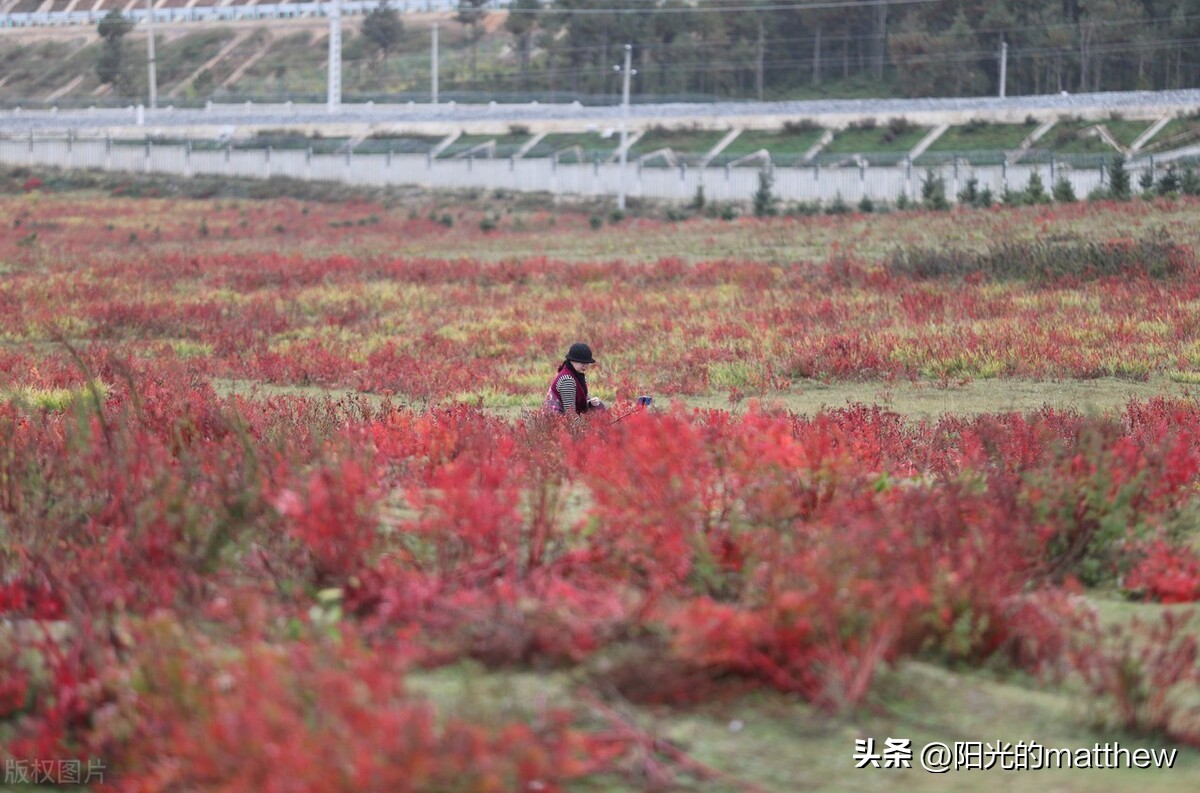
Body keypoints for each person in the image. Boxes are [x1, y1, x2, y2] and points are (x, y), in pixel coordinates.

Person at [545, 342, 606, 416]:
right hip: (555, 422)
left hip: (563, 421)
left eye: (587, 362)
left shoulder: (578, 375)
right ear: (572, 360)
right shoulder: (567, 380)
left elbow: (583, 402)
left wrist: (590, 403)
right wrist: (583, 427)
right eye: (581, 362)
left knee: (598, 405)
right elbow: (571, 415)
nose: (585, 365)